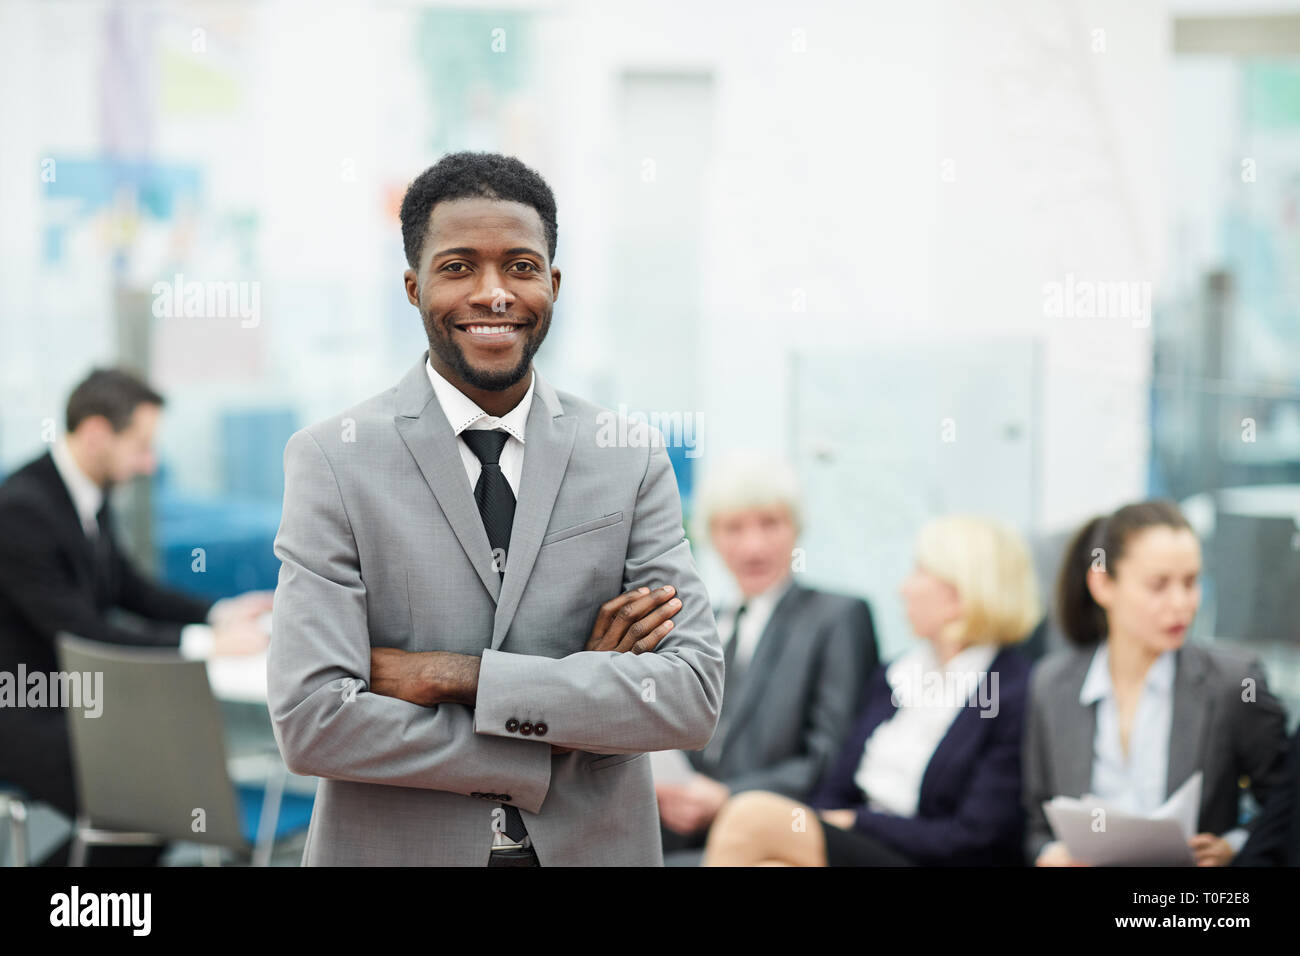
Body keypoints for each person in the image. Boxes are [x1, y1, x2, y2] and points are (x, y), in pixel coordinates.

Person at [266, 151, 724, 866]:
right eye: (457, 268)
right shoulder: (333, 460)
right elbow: (315, 722)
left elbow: (689, 696)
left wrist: (454, 675)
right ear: (414, 287)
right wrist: (555, 731)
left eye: (519, 265)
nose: (494, 294)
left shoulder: (628, 456)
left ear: (553, 283)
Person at [0, 368, 271, 866]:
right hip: (23, 708)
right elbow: (83, 634)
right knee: (153, 806)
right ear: (97, 433)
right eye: (141, 445)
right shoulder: (21, 509)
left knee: (166, 799)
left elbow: (126, 586)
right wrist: (205, 646)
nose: (149, 463)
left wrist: (218, 613)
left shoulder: (81, 493)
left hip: (77, 699)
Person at [702, 514, 1040, 866]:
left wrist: (855, 821)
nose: (903, 589)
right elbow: (836, 787)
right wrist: (840, 821)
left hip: (930, 858)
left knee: (749, 815)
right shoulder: (896, 674)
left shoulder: (1013, 692)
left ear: (961, 592)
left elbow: (975, 838)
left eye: (920, 572)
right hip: (864, 846)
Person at [1024, 499, 1290, 866]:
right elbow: (1036, 822)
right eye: (1158, 585)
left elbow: (1285, 808)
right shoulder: (1051, 685)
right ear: (1102, 585)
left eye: (1191, 582)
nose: (1182, 603)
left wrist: (1233, 845)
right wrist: (1049, 854)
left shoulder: (1233, 684)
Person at [657, 452, 878, 864]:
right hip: (679, 830)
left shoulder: (836, 618)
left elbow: (832, 757)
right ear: (710, 537)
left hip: (777, 832)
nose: (753, 546)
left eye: (770, 524)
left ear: (796, 529)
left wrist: (728, 798)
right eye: (733, 528)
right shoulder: (700, 623)